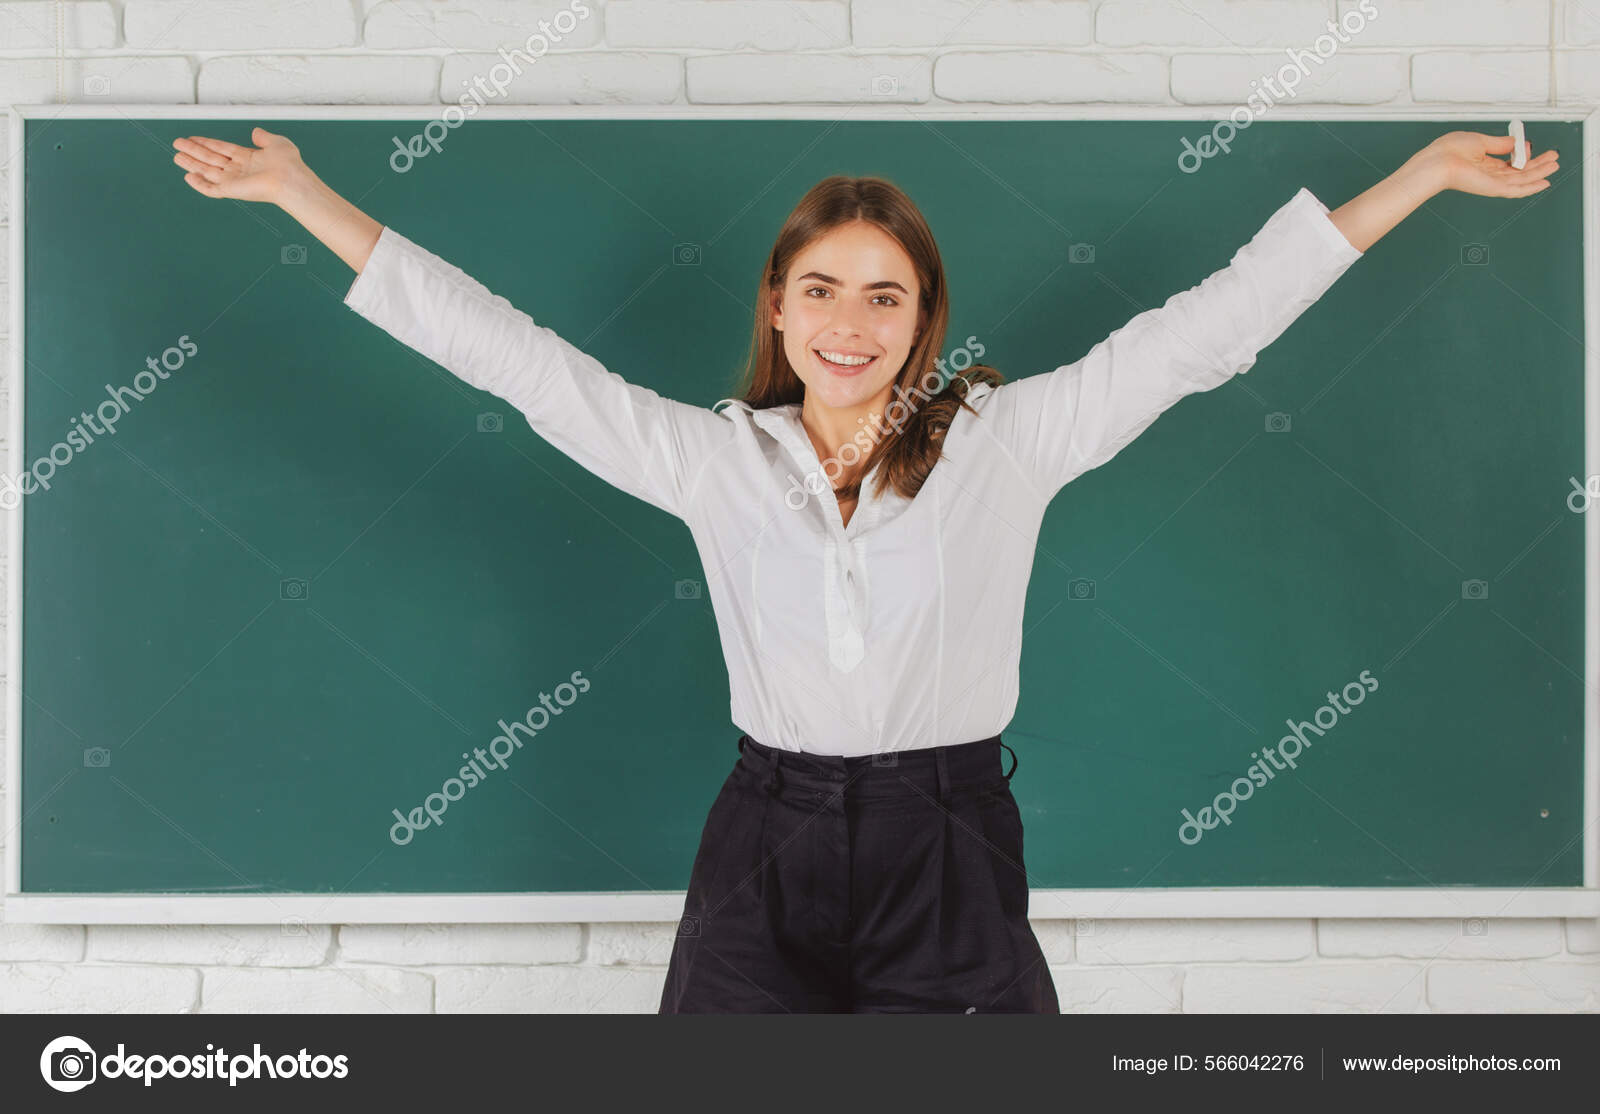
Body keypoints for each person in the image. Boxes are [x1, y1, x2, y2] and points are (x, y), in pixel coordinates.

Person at [171, 126, 1558, 1013]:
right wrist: (306, 194)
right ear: (779, 307)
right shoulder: (710, 457)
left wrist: (1424, 175)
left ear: (922, 319)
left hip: (943, 841)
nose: (851, 323)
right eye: (822, 289)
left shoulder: (1008, 439)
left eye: (885, 295)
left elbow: (1205, 332)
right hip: (760, 841)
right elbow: (511, 357)